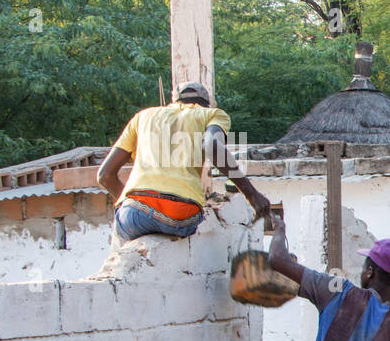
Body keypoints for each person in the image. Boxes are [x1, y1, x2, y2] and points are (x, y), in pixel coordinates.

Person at [97, 81, 270, 241]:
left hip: (135, 215)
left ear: (173, 102)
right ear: (206, 103)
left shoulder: (142, 117)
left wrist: (133, 205)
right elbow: (212, 146)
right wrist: (252, 195)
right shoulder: (212, 114)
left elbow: (105, 176)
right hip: (181, 213)